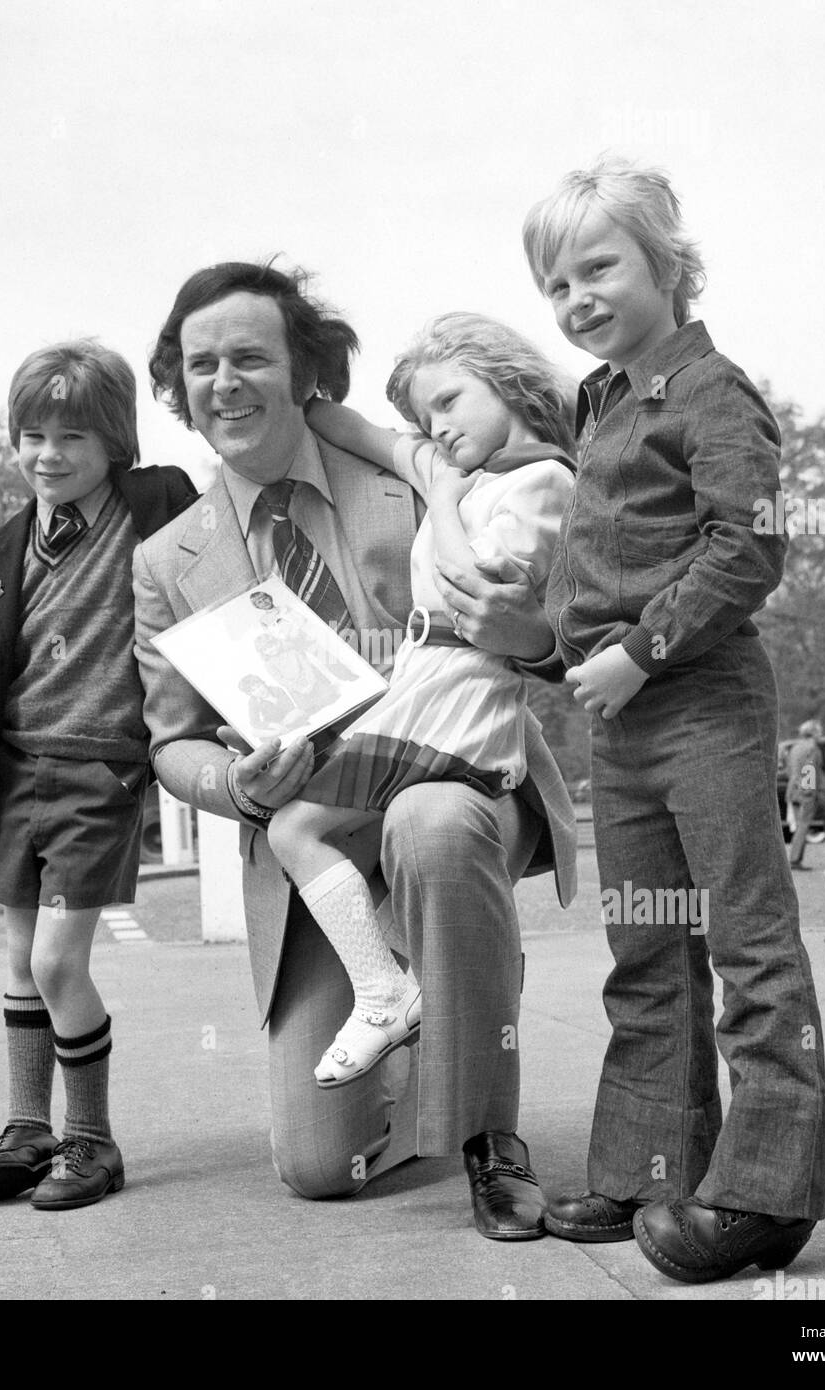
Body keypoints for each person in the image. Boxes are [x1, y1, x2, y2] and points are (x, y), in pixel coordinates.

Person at [132, 262, 577, 1241]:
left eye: (251, 356)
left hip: (453, 769)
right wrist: (237, 785)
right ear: (178, 386)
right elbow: (172, 745)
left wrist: (532, 638)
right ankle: (412, 1002)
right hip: (312, 828)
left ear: (305, 374)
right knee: (316, 1166)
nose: (224, 380)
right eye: (200, 364)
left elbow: (557, 614)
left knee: (432, 826)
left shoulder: (420, 477)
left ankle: (487, 1138)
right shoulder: (166, 559)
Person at [521, 157, 825, 1281]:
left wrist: (640, 653)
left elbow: (750, 545)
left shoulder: (714, 390)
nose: (577, 298)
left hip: (699, 706)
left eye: (597, 267)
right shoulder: (598, 401)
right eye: (556, 284)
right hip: (619, 722)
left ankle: (765, 1195)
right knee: (646, 944)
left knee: (749, 947)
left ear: (668, 262)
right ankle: (653, 1163)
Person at [265, 312, 574, 1094]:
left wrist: (439, 495)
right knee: (308, 829)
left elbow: (479, 586)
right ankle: (412, 984)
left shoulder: (544, 480)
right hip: (421, 679)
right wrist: (303, 399)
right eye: (423, 417)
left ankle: (388, 992)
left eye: (449, 401)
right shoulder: (453, 466)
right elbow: (367, 433)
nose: (436, 429)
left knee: (304, 824)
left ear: (504, 381)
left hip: (461, 688)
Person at [0, 340, 196, 1210]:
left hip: (102, 770)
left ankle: (92, 1140)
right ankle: (27, 1126)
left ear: (114, 446)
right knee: (20, 958)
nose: (48, 454)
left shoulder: (157, 502)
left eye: (72, 438)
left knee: (57, 961)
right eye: (32, 436)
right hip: (13, 771)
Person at [786, 719, 825, 868]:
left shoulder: (796, 747)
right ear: (814, 732)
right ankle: (795, 859)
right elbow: (809, 769)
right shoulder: (812, 748)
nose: (821, 734)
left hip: (795, 790)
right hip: (809, 792)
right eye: (819, 731)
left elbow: (791, 770)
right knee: (803, 825)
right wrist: (808, 792)